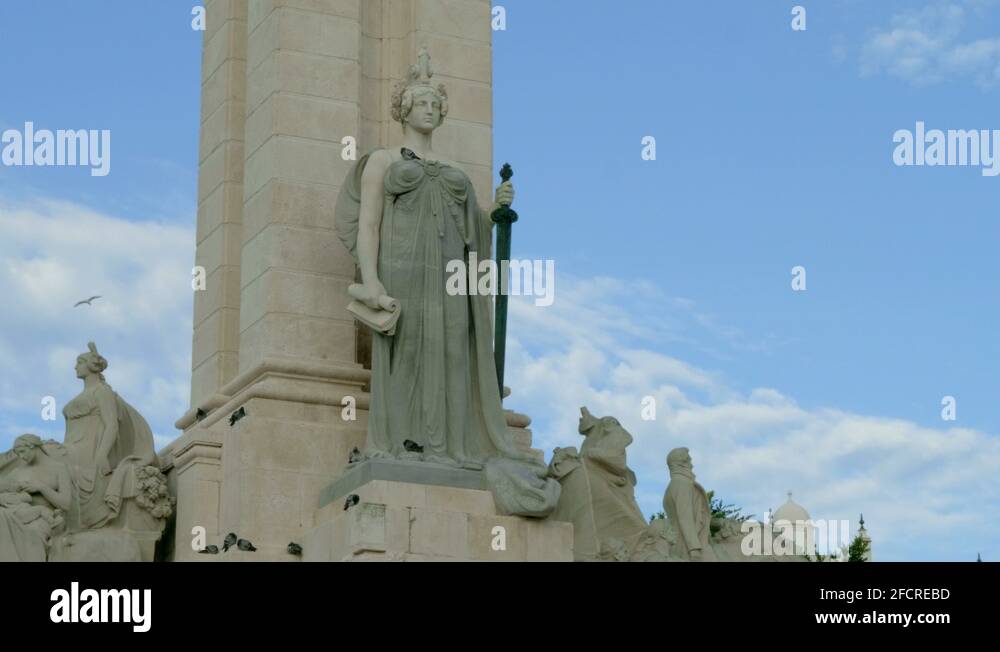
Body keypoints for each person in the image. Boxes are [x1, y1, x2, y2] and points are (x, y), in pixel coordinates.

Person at [0, 434, 71, 561]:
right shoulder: (17, 472)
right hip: (16, 512)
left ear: (33, 446)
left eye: (23, 451)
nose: (21, 457)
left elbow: (66, 504)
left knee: (31, 533)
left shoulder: (58, 468)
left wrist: (41, 487)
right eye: (18, 454)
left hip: (44, 518)